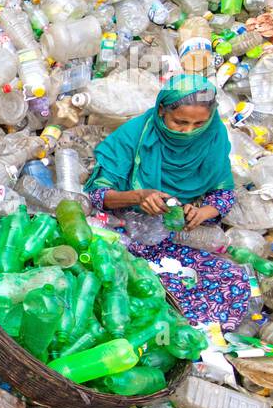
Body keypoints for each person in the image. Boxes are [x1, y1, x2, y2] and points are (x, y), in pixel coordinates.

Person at [84, 74, 251, 330]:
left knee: (235, 281)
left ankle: (197, 336)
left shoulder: (213, 137)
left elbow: (224, 193)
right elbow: (97, 194)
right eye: (180, 122)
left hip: (178, 237)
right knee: (126, 286)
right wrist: (138, 197)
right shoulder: (134, 136)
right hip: (126, 232)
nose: (188, 131)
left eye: (198, 124)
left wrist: (203, 212)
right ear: (162, 110)